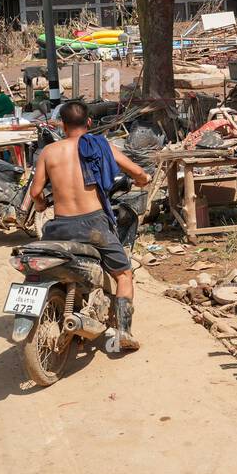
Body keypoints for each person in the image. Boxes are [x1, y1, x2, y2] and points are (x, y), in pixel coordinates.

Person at [21, 100, 149, 350]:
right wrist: (144, 178)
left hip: (60, 227)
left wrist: (39, 206)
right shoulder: (101, 145)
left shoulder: (49, 152)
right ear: (89, 122)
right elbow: (137, 172)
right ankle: (124, 330)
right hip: (94, 225)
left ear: (62, 125)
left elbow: (36, 191)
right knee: (124, 274)